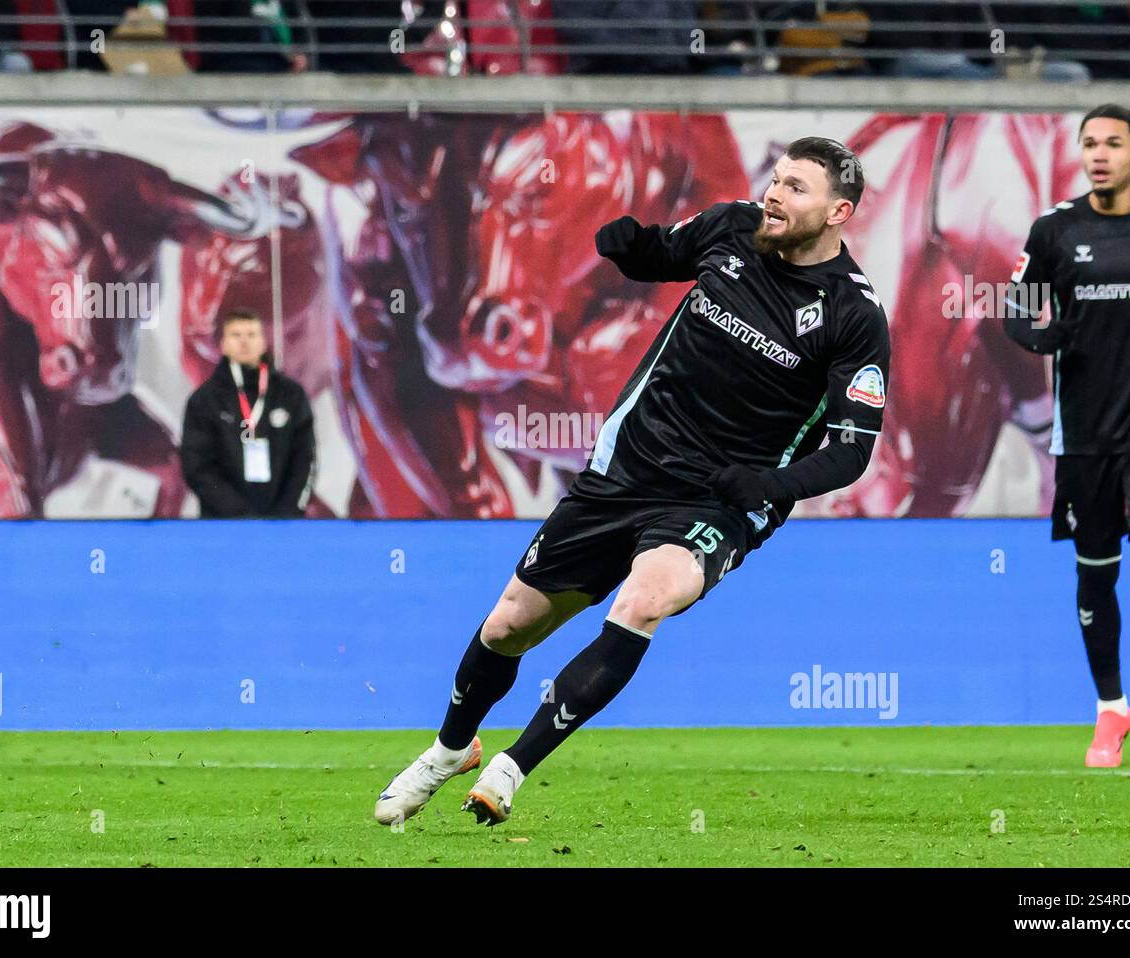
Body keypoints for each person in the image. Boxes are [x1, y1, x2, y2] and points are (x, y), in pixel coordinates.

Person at [373, 137, 890, 827]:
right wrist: (628, 245)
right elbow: (662, 256)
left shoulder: (853, 315)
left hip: (717, 497)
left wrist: (766, 485)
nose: (774, 193)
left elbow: (852, 451)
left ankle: (512, 767)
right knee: (506, 628)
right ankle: (449, 750)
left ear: (838, 212)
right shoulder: (732, 226)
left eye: (796, 187)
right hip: (625, 471)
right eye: (775, 178)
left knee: (644, 600)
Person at [1004, 104, 1130, 768]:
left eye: (1113, 142)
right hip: (1082, 433)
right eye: (1089, 142)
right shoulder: (1055, 231)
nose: (1098, 153)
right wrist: (1042, 334)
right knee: (1096, 574)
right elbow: (1014, 306)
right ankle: (1110, 711)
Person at [180, 309, 315, 518]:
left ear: (263, 342)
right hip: (224, 525)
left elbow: (304, 458)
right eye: (236, 335)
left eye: (251, 335)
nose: (244, 342)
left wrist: (285, 514)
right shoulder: (205, 400)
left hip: (281, 526)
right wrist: (240, 514)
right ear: (223, 344)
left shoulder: (290, 395)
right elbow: (197, 466)